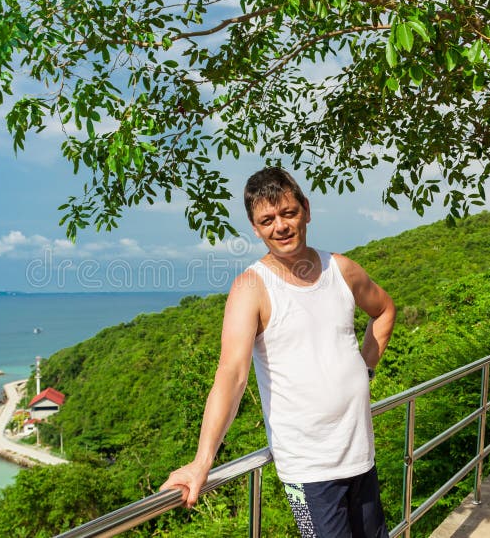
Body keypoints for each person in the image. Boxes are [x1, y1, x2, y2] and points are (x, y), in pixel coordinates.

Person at [160, 167, 396, 537]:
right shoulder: (251, 288)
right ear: (256, 228)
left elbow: (383, 310)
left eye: (288, 213)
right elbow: (231, 375)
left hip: (360, 455)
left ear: (306, 208)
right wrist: (201, 461)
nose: (280, 226)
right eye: (267, 220)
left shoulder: (342, 270)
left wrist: (365, 369)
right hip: (309, 471)